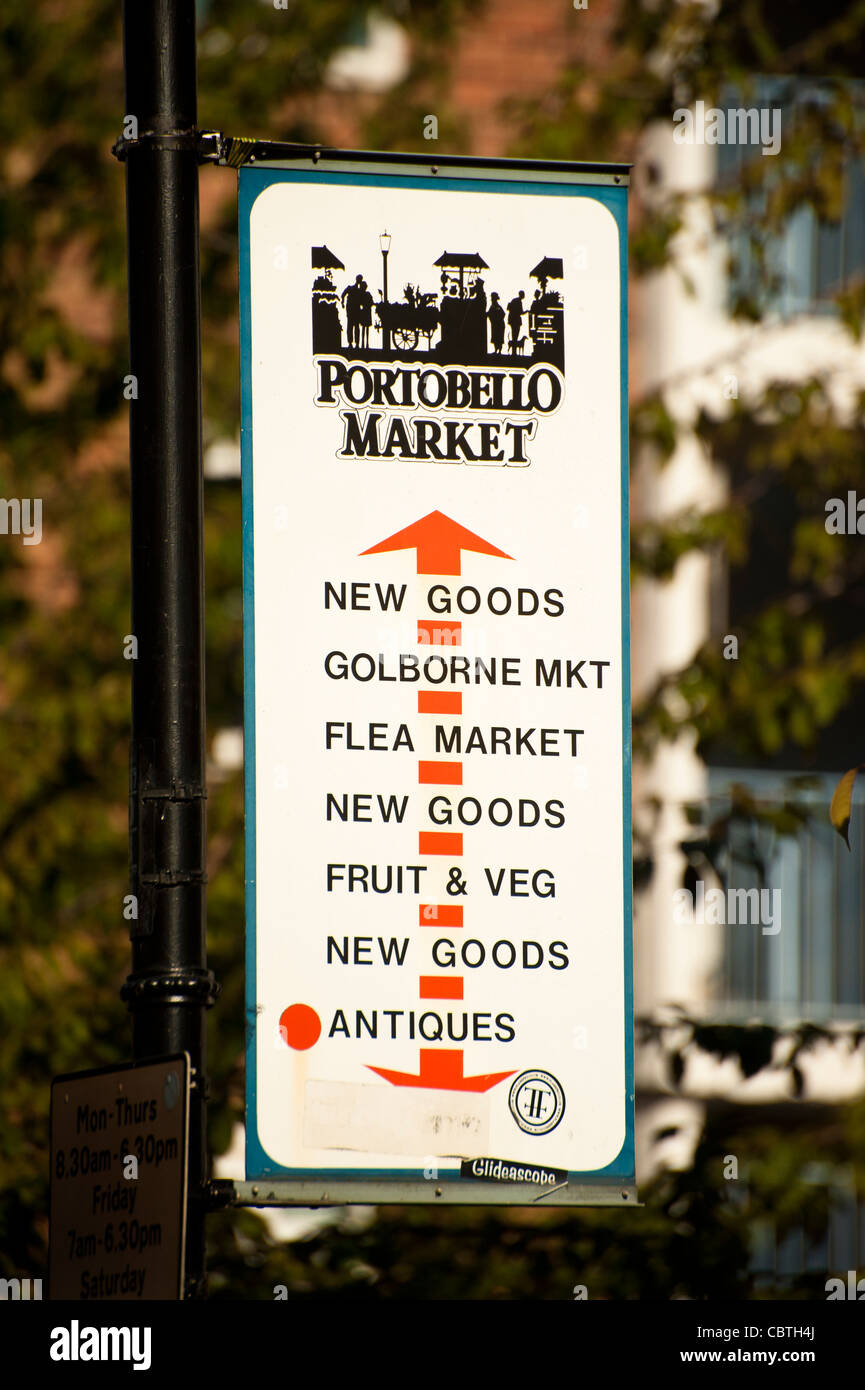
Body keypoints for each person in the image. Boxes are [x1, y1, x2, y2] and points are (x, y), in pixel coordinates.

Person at [341, 274, 363, 349]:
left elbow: (343, 294)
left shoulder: (358, 290)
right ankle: (352, 343)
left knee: (354, 326)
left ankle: (354, 343)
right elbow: (343, 294)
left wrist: (343, 302)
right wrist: (343, 302)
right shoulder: (353, 289)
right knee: (352, 326)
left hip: (354, 310)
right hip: (352, 309)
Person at [506, 289, 526, 354]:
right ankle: (514, 352)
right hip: (516, 321)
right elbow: (520, 312)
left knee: (514, 336)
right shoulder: (518, 302)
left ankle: (514, 351)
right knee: (515, 336)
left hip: (512, 320)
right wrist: (526, 312)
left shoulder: (514, 300)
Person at [357, 279, 373, 349]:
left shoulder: (363, 294)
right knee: (365, 328)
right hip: (366, 312)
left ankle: (364, 343)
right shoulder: (366, 294)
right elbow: (371, 302)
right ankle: (365, 343)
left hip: (365, 311)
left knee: (364, 328)